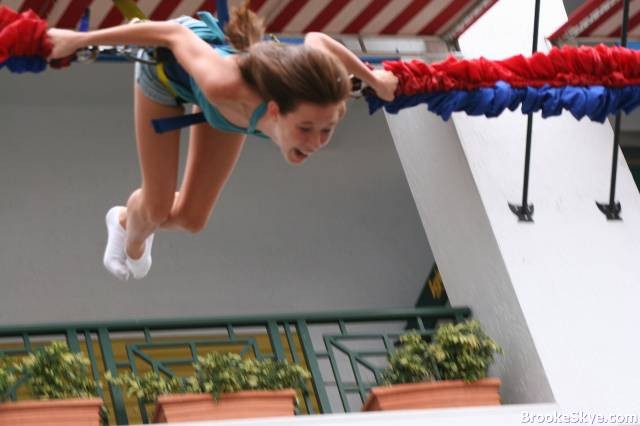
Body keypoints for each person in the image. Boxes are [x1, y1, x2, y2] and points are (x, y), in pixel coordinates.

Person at [46, 2, 398, 281]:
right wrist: (78, 40)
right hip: (166, 72)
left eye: (327, 130)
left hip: (226, 109)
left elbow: (318, 41)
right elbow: (172, 34)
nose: (317, 142)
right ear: (274, 112)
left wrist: (374, 79)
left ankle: (137, 224)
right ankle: (126, 227)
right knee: (155, 208)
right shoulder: (225, 84)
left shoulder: (316, 96)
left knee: (192, 219)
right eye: (306, 129)